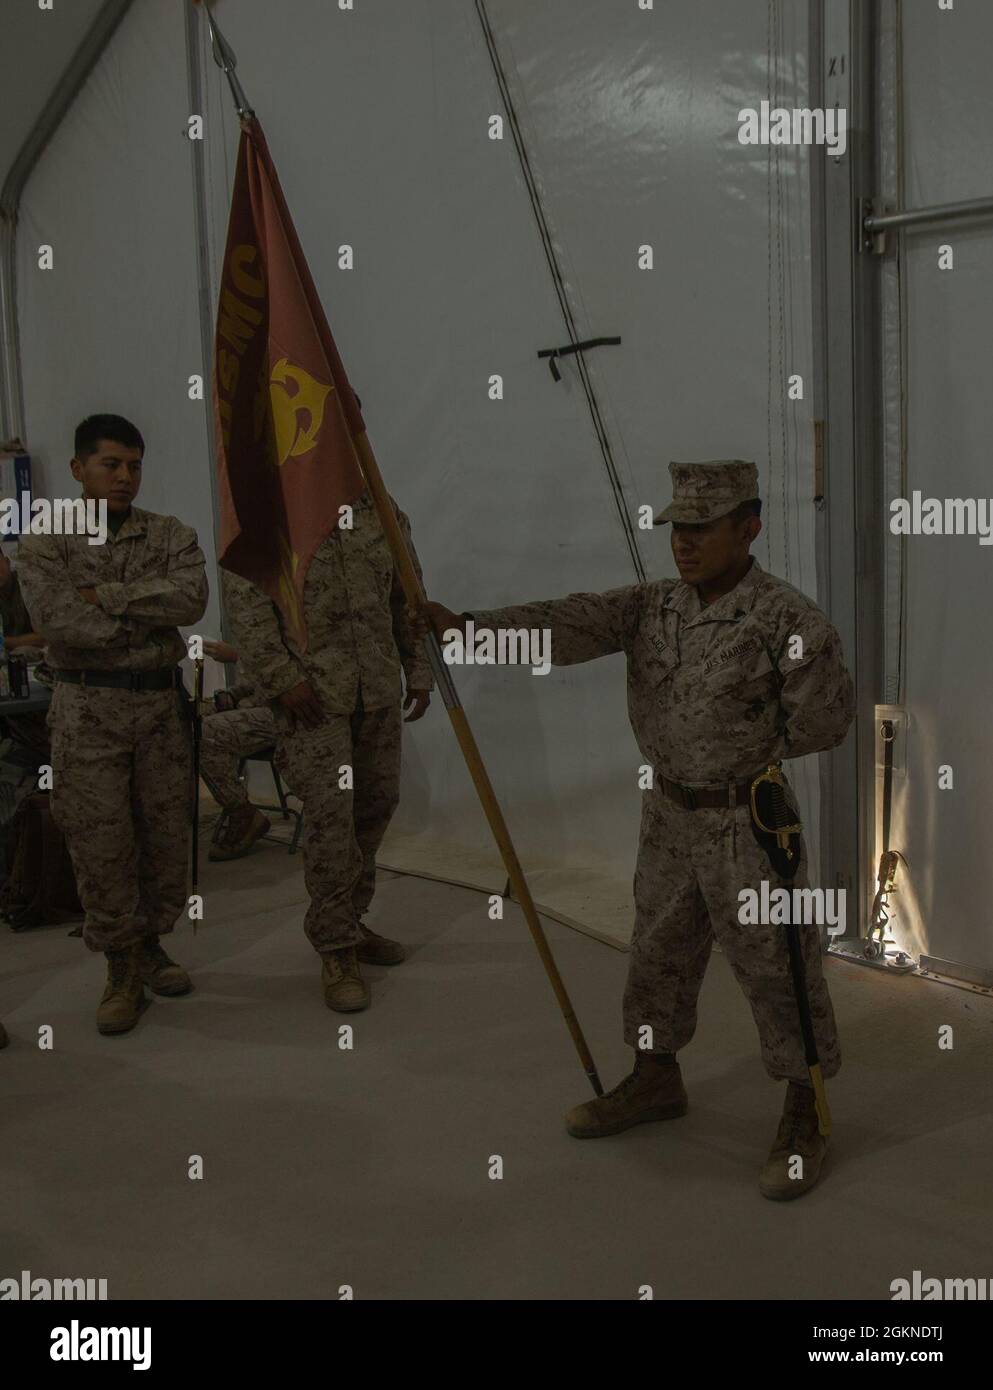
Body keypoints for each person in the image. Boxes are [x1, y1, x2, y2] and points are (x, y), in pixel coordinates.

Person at [424, 460, 855, 1200]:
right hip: (666, 816)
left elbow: (823, 723)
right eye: (675, 528)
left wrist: (741, 747)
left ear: (747, 528)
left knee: (776, 966)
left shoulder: (790, 623)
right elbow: (566, 625)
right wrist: (468, 633)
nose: (682, 543)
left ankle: (802, 1108)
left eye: (701, 527)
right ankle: (655, 1078)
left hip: (745, 823)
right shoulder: (650, 607)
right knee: (657, 955)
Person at [17, 414, 208, 1035]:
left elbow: (193, 600)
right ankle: (120, 966)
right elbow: (57, 619)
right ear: (78, 469)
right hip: (87, 712)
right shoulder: (49, 538)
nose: (125, 477)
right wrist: (141, 618)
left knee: (163, 836)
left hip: (157, 709)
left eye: (134, 465)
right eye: (110, 464)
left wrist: (107, 596)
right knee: (100, 841)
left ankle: (153, 944)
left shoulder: (170, 532)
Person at [223, 489, 432, 1013]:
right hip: (313, 700)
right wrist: (279, 678)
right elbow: (248, 601)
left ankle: (352, 920)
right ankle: (336, 949)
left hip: (377, 691)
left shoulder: (382, 509)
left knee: (377, 806)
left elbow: (408, 595)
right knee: (331, 821)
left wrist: (418, 669)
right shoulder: (271, 512)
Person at [199, 638, 275, 861]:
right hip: (258, 704)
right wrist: (233, 694)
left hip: (289, 710)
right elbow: (257, 678)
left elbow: (286, 669)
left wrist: (236, 656)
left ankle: (242, 813)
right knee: (184, 721)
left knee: (206, 733)